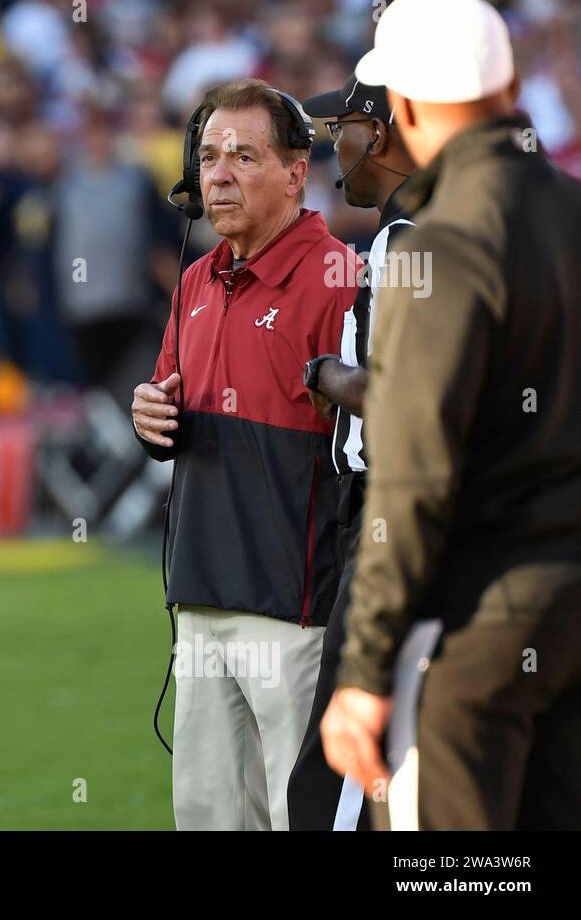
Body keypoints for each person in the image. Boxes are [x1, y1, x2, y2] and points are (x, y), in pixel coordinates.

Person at [321, 0, 581, 830]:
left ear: (402, 105)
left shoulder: (446, 241)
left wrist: (362, 675)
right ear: (508, 90)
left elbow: (414, 474)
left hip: (476, 623)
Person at [131, 79, 356, 830]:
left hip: (294, 611)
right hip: (198, 599)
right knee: (207, 815)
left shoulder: (340, 281)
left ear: (296, 173)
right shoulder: (193, 281)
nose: (217, 174)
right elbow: (170, 411)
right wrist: (150, 418)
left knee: (302, 816)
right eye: (207, 156)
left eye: (243, 156)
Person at [287, 73, 416, 831]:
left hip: (389, 513)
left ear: (385, 132)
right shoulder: (470, 229)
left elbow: (404, 392)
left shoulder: (408, 237)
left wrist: (325, 373)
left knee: (345, 748)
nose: (337, 152)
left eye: (344, 131)